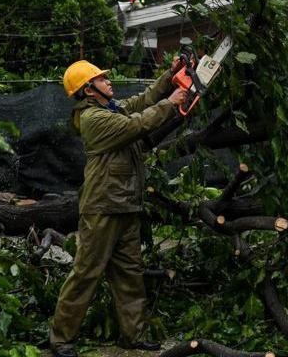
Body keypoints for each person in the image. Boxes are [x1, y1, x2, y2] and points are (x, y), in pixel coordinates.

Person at [50, 59, 188, 357]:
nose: (108, 81)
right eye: (101, 79)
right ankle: (61, 339)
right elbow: (136, 124)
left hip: (124, 204)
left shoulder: (111, 108)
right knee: (86, 273)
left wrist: (170, 75)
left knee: (129, 274)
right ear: (89, 90)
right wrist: (171, 103)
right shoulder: (93, 118)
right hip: (102, 206)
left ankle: (132, 336)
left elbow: (142, 100)